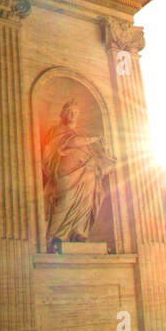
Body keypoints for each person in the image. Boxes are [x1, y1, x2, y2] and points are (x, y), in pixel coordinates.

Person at [42, 99, 116, 250]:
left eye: (75, 112)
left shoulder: (81, 133)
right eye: (69, 111)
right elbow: (71, 143)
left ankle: (78, 233)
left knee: (85, 202)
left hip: (87, 173)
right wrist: (94, 139)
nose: (72, 114)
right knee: (65, 201)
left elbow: (96, 152)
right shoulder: (57, 130)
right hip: (66, 173)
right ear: (63, 114)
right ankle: (55, 236)